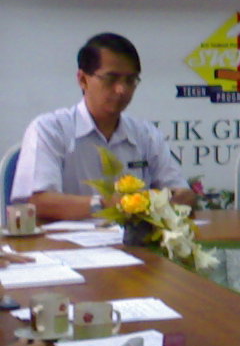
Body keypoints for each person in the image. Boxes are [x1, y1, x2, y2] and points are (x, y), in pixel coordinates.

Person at [11, 33, 196, 221]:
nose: (121, 90)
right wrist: (108, 204)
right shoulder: (50, 129)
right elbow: (37, 203)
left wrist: (178, 198)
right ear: (83, 79)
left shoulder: (146, 134)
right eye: (111, 79)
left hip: (134, 237)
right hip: (68, 239)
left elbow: (183, 193)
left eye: (130, 80)